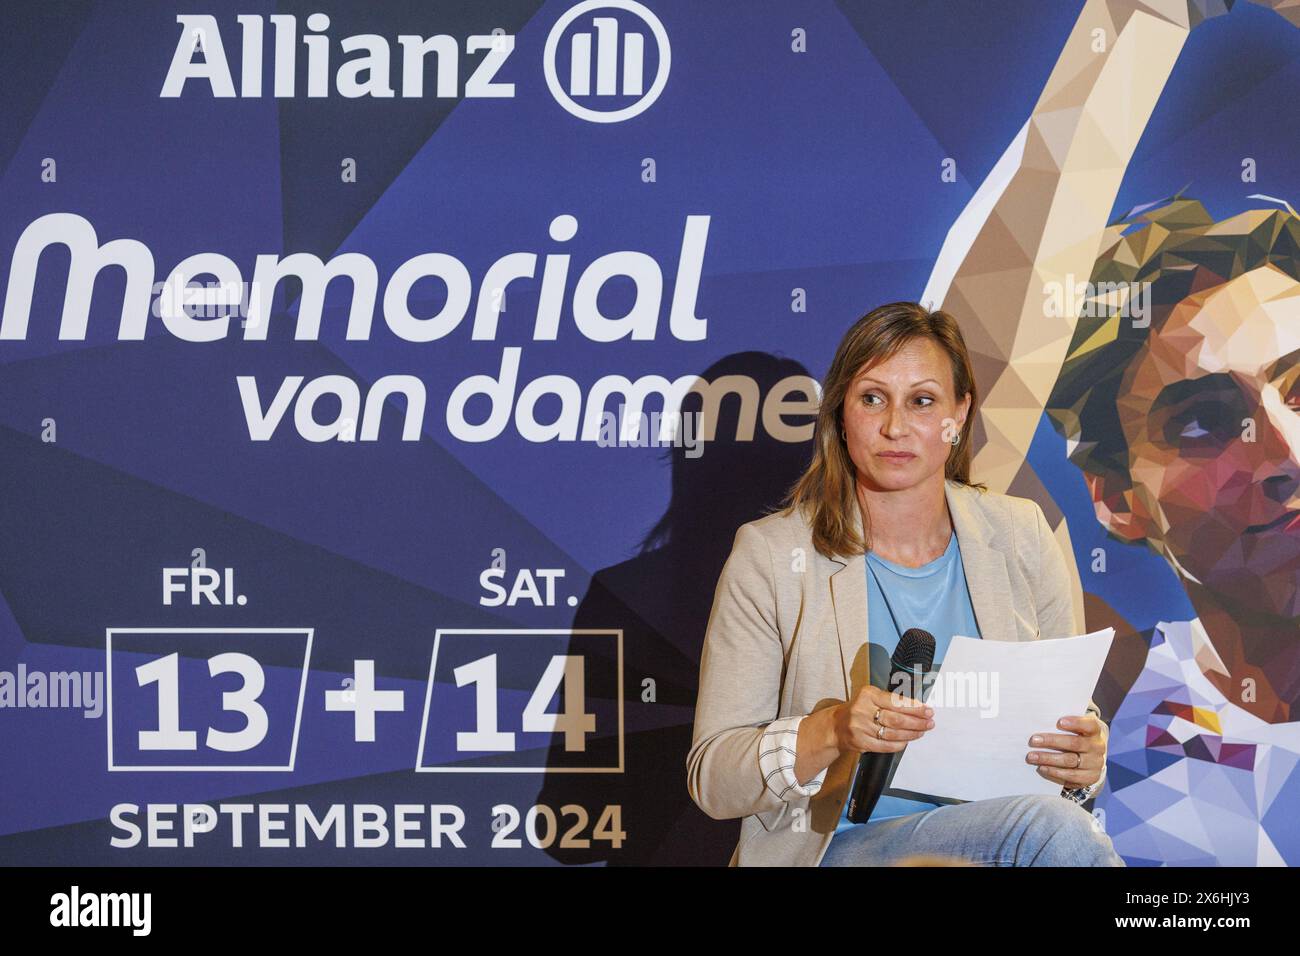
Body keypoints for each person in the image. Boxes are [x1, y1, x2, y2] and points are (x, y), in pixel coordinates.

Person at [685, 302, 1125, 867]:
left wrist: (1082, 760)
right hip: (835, 851)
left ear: (959, 414)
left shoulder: (1022, 535)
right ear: (841, 412)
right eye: (872, 398)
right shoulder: (772, 555)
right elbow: (714, 778)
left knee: (1056, 824)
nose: (895, 426)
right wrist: (833, 730)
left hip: (995, 835)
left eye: (922, 401)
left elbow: (1068, 727)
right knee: (1046, 828)